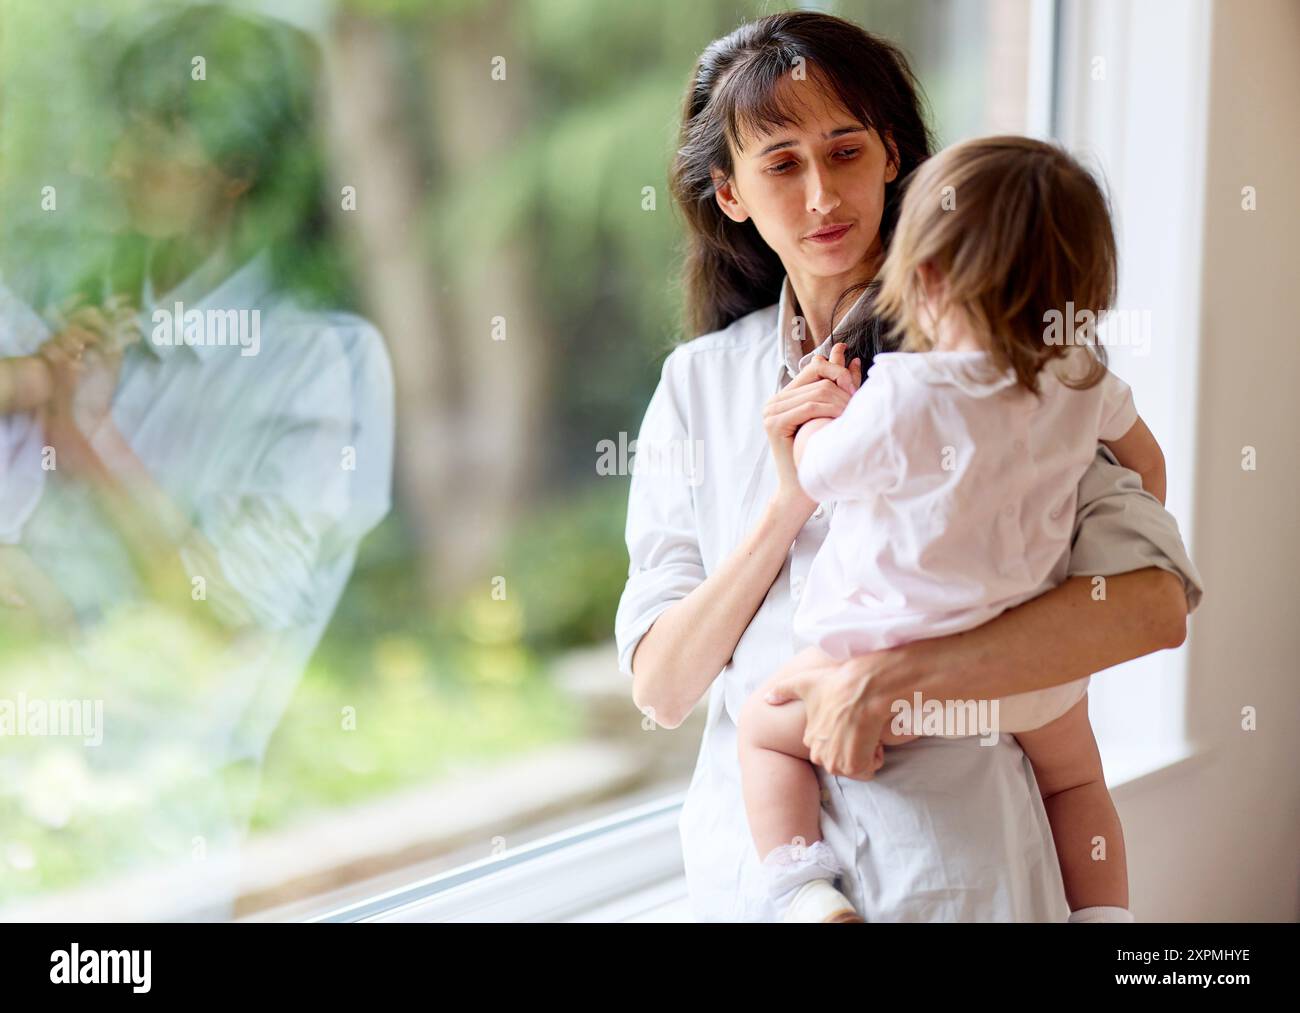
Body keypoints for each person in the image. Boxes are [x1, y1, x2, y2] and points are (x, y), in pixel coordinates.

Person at [615, 11, 1203, 923]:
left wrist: (890, 677)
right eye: (780, 165)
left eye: (845, 151)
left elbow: (1153, 604)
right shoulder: (697, 387)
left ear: (894, 157)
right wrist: (783, 506)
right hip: (757, 883)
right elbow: (663, 686)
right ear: (729, 193)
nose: (821, 196)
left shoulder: (1016, 364)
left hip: (968, 876)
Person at [738, 135, 1170, 923]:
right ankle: (1105, 916)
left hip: (879, 663)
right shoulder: (1081, 375)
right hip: (1025, 674)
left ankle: (802, 889)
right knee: (1077, 781)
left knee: (764, 726)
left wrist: (809, 423)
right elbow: (1145, 468)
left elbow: (821, 475)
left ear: (926, 276)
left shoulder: (906, 392)